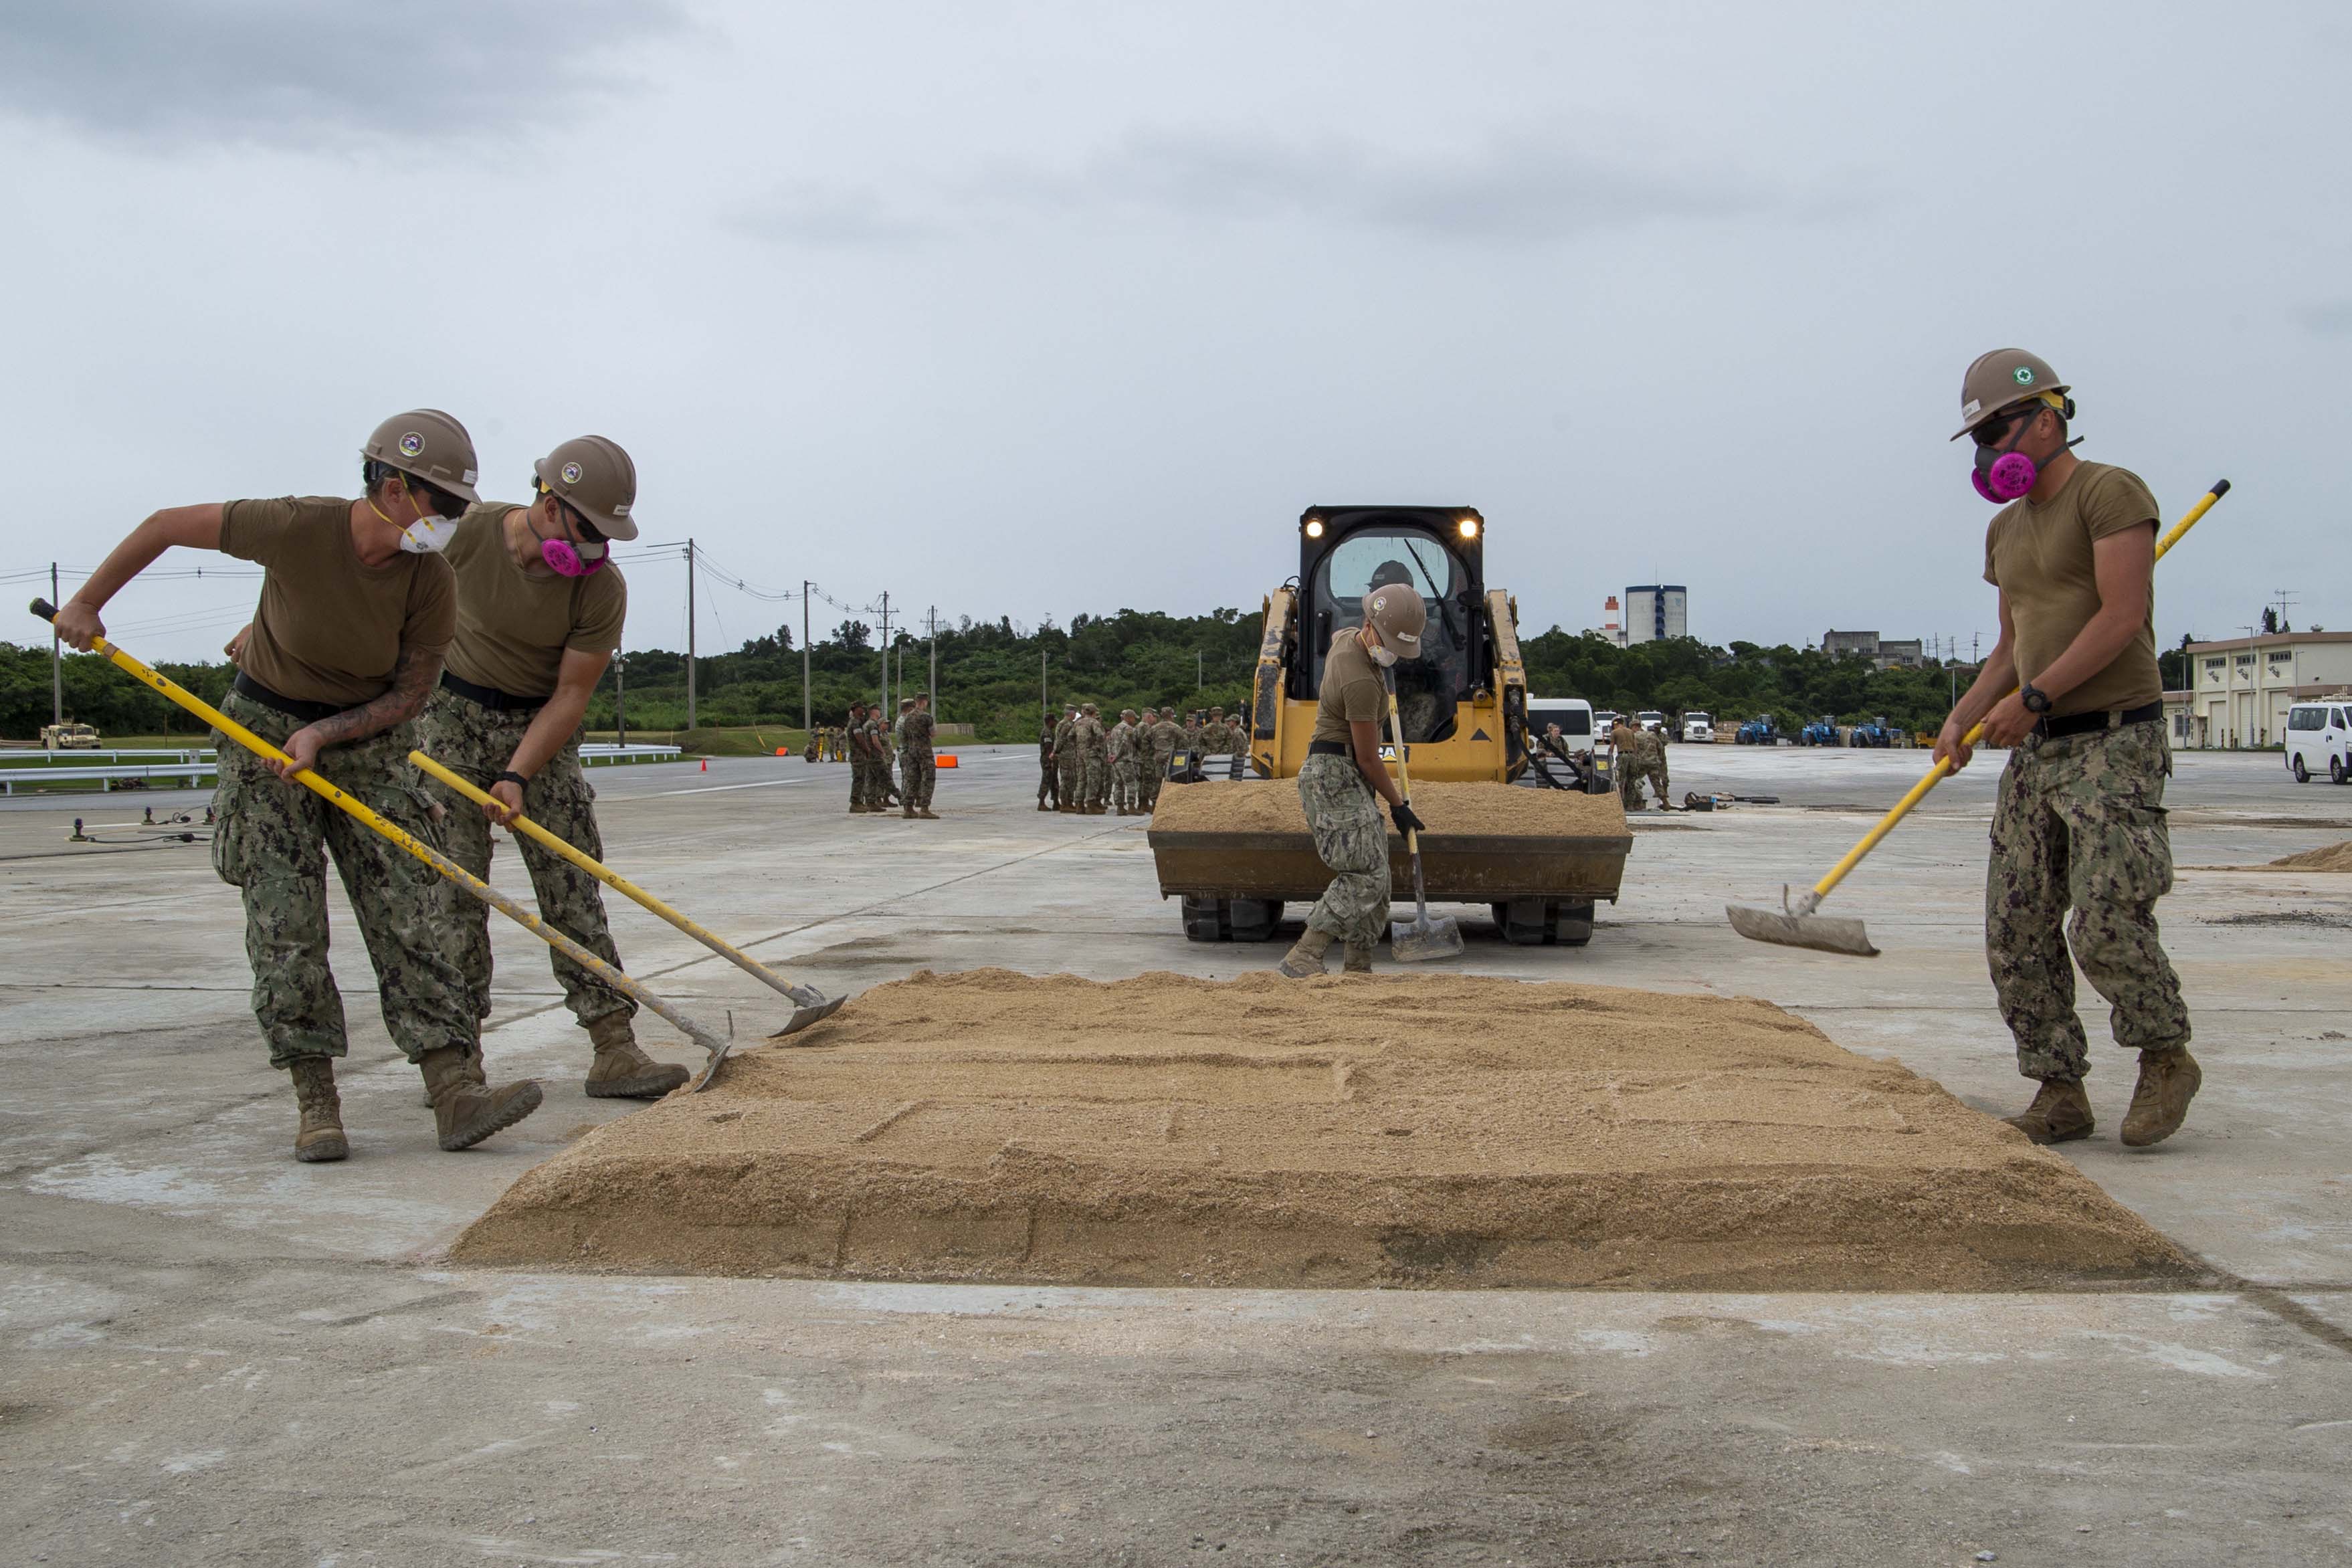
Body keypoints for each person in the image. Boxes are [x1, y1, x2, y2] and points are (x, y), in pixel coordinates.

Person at [53, 410, 543, 1161]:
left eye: (457, 510)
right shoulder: (295, 525)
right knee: (285, 922)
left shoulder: (430, 581)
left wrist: (328, 734)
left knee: (409, 909)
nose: (447, 522)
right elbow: (162, 525)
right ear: (391, 485)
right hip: (262, 730)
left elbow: (413, 694)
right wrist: (89, 602)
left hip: (364, 739)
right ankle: (316, 1101)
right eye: (440, 505)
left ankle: (454, 1090)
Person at [1935, 349, 2196, 1149]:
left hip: (2114, 739)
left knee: (2105, 918)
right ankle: (2060, 1088)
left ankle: (2164, 1057)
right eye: (1977, 435)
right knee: (2016, 926)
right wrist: (1966, 715)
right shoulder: (2004, 527)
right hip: (2038, 748)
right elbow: (2011, 642)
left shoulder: (2109, 493)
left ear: (2046, 417)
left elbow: (2121, 616)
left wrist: (2033, 698)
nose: (1987, 449)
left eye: (1997, 427)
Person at [417, 435, 685, 1101]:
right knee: (453, 895)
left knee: (572, 885)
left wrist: (518, 774)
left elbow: (570, 695)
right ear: (548, 500)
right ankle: (456, 1067)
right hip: (449, 719)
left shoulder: (601, 590)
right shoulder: (464, 533)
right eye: (589, 530)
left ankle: (614, 1048)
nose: (597, 549)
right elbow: (371, 575)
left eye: (608, 536)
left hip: (540, 726)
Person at [1276, 585, 1425, 978]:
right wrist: (1399, 806)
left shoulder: (1347, 640)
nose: (1392, 653)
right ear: (1371, 627)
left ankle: (1359, 965)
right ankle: (1305, 953)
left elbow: (1339, 634)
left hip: (1345, 775)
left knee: (1379, 874)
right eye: (1389, 643)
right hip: (1335, 775)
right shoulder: (1360, 681)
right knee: (1366, 874)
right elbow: (1369, 757)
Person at [899, 693, 938, 819]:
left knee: (912, 779)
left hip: (912, 751)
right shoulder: (926, 717)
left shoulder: (908, 717)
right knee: (928, 778)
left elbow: (905, 735)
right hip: (924, 751)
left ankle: (908, 808)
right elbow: (933, 734)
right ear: (925, 702)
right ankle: (924, 808)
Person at [1144, 706, 1183, 809]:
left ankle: (1154, 804)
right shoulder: (1176, 728)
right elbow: (1184, 743)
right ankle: (1168, 804)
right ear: (1171, 715)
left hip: (1157, 758)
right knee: (1170, 781)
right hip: (1170, 759)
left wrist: (1151, 751)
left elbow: (1145, 740)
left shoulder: (1155, 728)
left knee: (1157, 781)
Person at [1108, 708, 1142, 814]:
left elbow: (1109, 742)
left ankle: (1120, 807)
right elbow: (1125, 743)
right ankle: (1132, 807)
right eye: (1134, 719)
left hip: (1115, 762)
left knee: (1118, 784)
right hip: (1125, 760)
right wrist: (1118, 756)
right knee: (1131, 783)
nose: (1135, 721)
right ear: (1129, 718)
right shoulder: (1128, 729)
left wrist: (1111, 756)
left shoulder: (1115, 728)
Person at [1054, 704, 1082, 813]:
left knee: (1070, 779)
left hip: (1067, 755)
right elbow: (1061, 740)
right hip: (1066, 755)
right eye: (1074, 713)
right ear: (1071, 713)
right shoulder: (1067, 724)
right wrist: (1057, 751)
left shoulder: (1064, 723)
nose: (1075, 714)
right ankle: (1066, 804)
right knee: (1067, 780)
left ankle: (1069, 802)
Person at [1037, 711, 1059, 811]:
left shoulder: (1049, 731)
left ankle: (1056, 802)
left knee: (1054, 781)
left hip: (1050, 759)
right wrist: (1051, 759)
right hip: (1047, 760)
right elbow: (1048, 748)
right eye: (1054, 721)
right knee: (1046, 781)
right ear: (1050, 721)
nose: (1055, 723)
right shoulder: (1046, 733)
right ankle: (1041, 803)